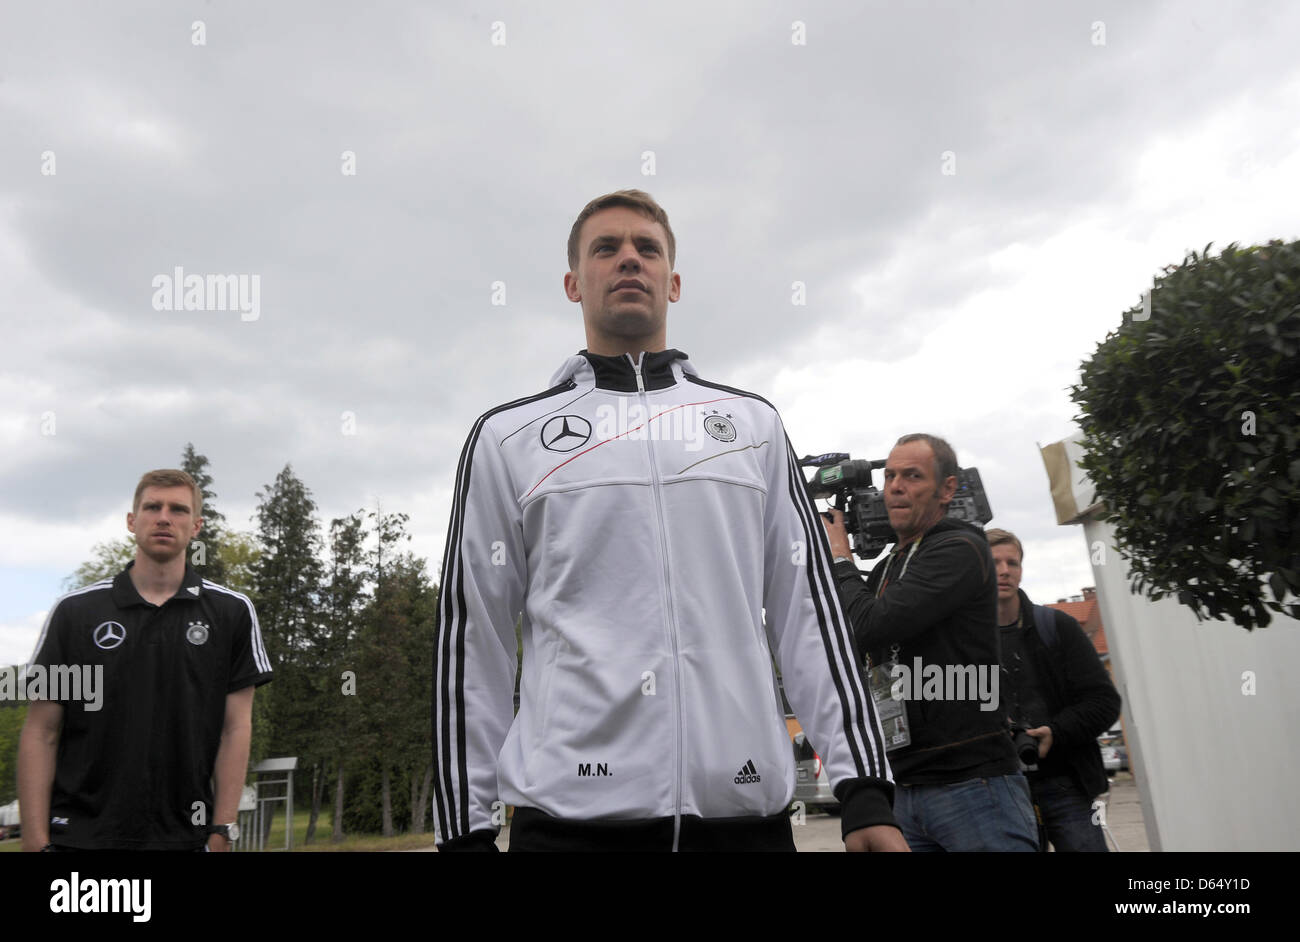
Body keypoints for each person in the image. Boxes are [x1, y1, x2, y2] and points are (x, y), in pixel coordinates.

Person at [432, 189, 905, 852]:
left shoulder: (752, 428)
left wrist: (864, 790)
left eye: (646, 248)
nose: (629, 259)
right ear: (574, 282)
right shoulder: (509, 439)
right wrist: (465, 832)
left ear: (673, 282)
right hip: (570, 831)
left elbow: (808, 615)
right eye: (607, 248)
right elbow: (471, 642)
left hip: (743, 826)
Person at [18, 469, 271, 851]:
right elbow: (42, 732)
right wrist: (35, 842)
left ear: (197, 525)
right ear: (132, 521)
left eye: (178, 510)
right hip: (80, 840)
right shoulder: (75, 613)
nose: (164, 517)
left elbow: (234, 730)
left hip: (187, 838)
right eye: (152, 506)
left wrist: (222, 830)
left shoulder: (232, 612)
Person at [821, 435, 1039, 851]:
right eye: (889, 477)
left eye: (912, 476)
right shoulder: (888, 566)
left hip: (974, 785)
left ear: (948, 489)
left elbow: (872, 625)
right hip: (906, 786)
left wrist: (840, 560)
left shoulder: (960, 546)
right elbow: (849, 635)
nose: (895, 487)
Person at [985, 528, 1121, 852]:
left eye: (1012, 563)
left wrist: (1055, 732)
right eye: (994, 563)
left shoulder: (1058, 627)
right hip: (997, 791)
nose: (1004, 571)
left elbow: (1104, 701)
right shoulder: (962, 641)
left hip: (1065, 784)